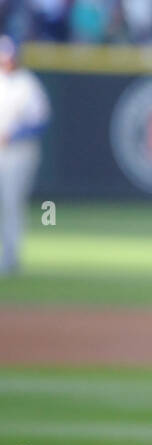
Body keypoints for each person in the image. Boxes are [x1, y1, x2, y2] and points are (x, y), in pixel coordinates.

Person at [0, 36, 51, 275]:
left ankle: (10, 258)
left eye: (8, 55)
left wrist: (13, 135)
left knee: (11, 203)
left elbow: (40, 122)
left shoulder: (27, 84)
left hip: (19, 153)